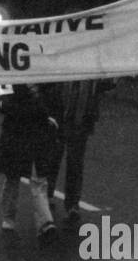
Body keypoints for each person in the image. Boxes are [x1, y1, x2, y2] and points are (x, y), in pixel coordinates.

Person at [47, 77, 117, 224]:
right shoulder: (65, 68)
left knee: (75, 163)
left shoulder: (91, 71)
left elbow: (104, 84)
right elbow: (52, 87)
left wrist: (115, 77)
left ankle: (72, 205)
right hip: (60, 118)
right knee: (54, 157)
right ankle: (48, 194)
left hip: (81, 122)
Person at [0, 83, 59, 241]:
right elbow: (3, 104)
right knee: (13, 178)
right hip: (17, 134)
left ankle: (44, 222)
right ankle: (9, 219)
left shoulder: (42, 82)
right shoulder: (12, 79)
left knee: (37, 180)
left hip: (32, 135)